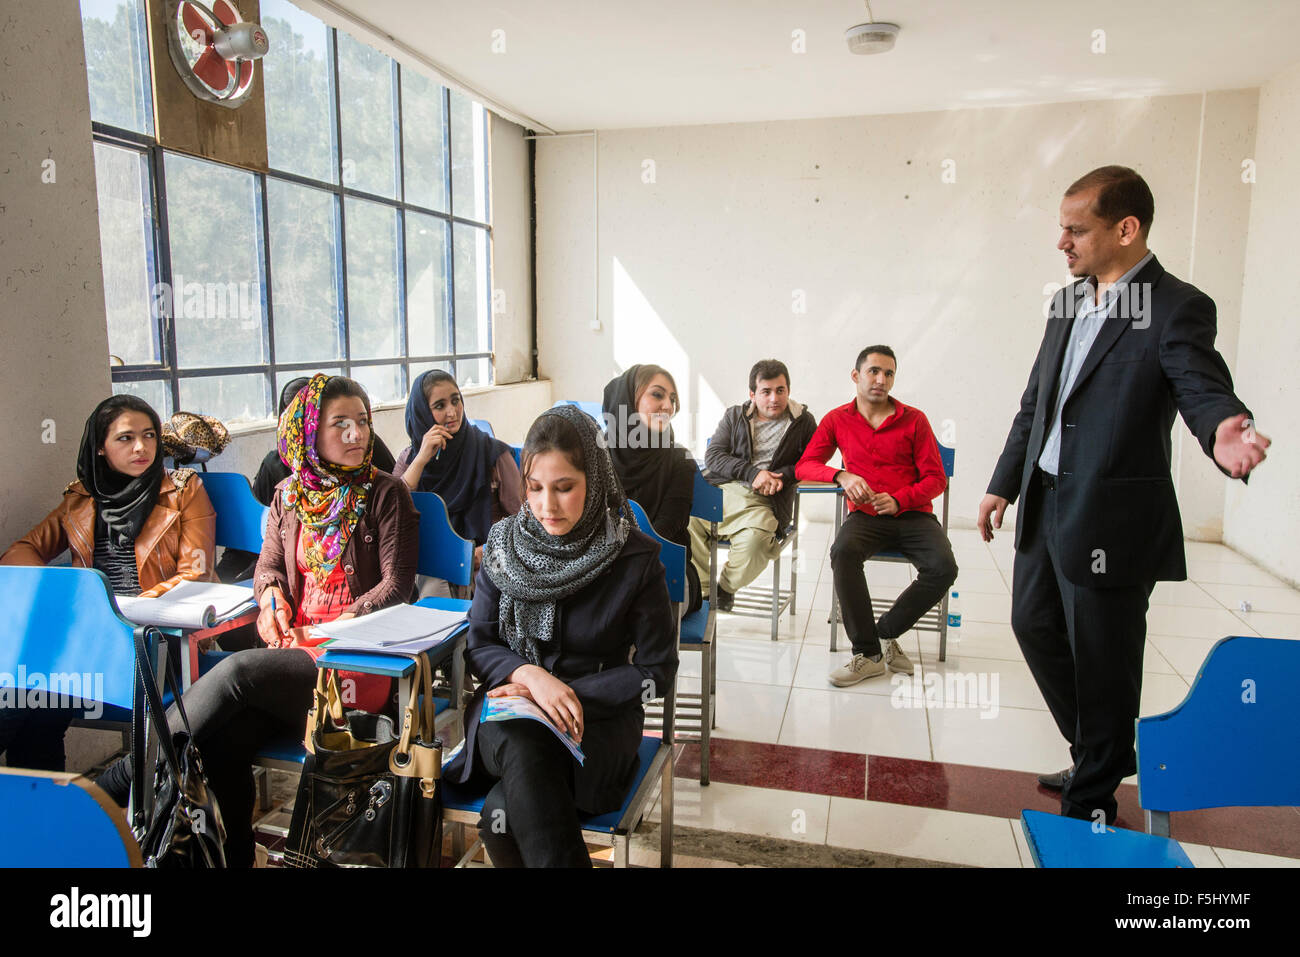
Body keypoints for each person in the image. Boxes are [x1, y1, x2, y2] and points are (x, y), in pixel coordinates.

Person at [978, 165, 1270, 825]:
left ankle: (1093, 796)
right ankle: (1099, 748)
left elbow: (1199, 383)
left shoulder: (1176, 305)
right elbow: (1037, 403)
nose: (1062, 241)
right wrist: (1003, 481)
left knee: (1105, 658)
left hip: (1111, 515)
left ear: (1126, 228)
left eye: (1076, 229)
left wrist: (1223, 426)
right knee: (1034, 625)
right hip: (1045, 498)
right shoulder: (1066, 302)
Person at [97, 374, 418, 865]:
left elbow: (395, 587)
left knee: (238, 671)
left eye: (363, 422)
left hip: (355, 665)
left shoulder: (387, 493)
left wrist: (335, 626)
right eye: (341, 424)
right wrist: (270, 597)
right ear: (308, 434)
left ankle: (128, 774)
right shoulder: (289, 497)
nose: (357, 434)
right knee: (221, 738)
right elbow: (267, 566)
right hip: (297, 666)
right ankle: (236, 858)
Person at [443, 404, 677, 867]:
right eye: (534, 488)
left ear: (595, 481)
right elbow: (481, 644)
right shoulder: (506, 546)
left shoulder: (632, 557)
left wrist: (566, 695)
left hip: (596, 723)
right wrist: (531, 677)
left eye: (564, 488)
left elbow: (656, 671)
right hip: (508, 713)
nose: (547, 506)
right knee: (523, 740)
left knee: (502, 812)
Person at [0, 395, 215, 771]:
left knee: (29, 696)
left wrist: (119, 611)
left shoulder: (183, 490)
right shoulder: (82, 496)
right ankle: (44, 813)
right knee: (24, 704)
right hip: (86, 642)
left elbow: (195, 572)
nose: (141, 447)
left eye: (149, 436)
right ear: (100, 447)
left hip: (154, 640)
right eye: (125, 438)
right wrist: (67, 595)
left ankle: (48, 814)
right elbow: (22, 552)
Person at [796, 346, 957, 686]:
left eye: (888, 373)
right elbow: (805, 465)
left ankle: (885, 631)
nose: (881, 380)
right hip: (866, 517)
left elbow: (936, 479)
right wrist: (841, 475)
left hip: (913, 515)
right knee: (843, 552)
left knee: (944, 568)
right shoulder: (837, 419)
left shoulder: (914, 419)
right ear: (856, 376)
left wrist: (900, 500)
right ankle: (868, 653)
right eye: (874, 371)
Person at [211, 377, 397, 585]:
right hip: (295, 580)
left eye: (361, 422)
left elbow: (393, 577)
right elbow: (264, 559)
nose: (355, 434)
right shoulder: (284, 485)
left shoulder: (368, 458)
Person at [689, 359, 817, 611]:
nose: (774, 398)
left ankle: (724, 589)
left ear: (788, 390)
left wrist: (778, 476)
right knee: (687, 519)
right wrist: (753, 473)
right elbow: (714, 456)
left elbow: (812, 461)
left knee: (757, 543)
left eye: (780, 390)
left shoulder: (803, 421)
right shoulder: (735, 415)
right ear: (752, 394)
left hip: (767, 500)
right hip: (724, 490)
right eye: (766, 392)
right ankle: (702, 591)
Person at [392, 370, 522, 593]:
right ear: (423, 412)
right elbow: (391, 513)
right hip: (432, 566)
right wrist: (421, 459)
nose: (452, 412)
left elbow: (524, 523)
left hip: (488, 562)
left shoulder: (493, 455)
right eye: (440, 406)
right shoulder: (410, 459)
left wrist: (485, 553)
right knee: (427, 589)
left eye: (456, 401)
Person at [602, 364, 703, 614]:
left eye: (672, 399)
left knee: (629, 610)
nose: (668, 406)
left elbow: (665, 530)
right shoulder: (596, 456)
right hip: (604, 569)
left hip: (668, 573)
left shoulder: (680, 460)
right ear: (627, 399)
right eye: (657, 395)